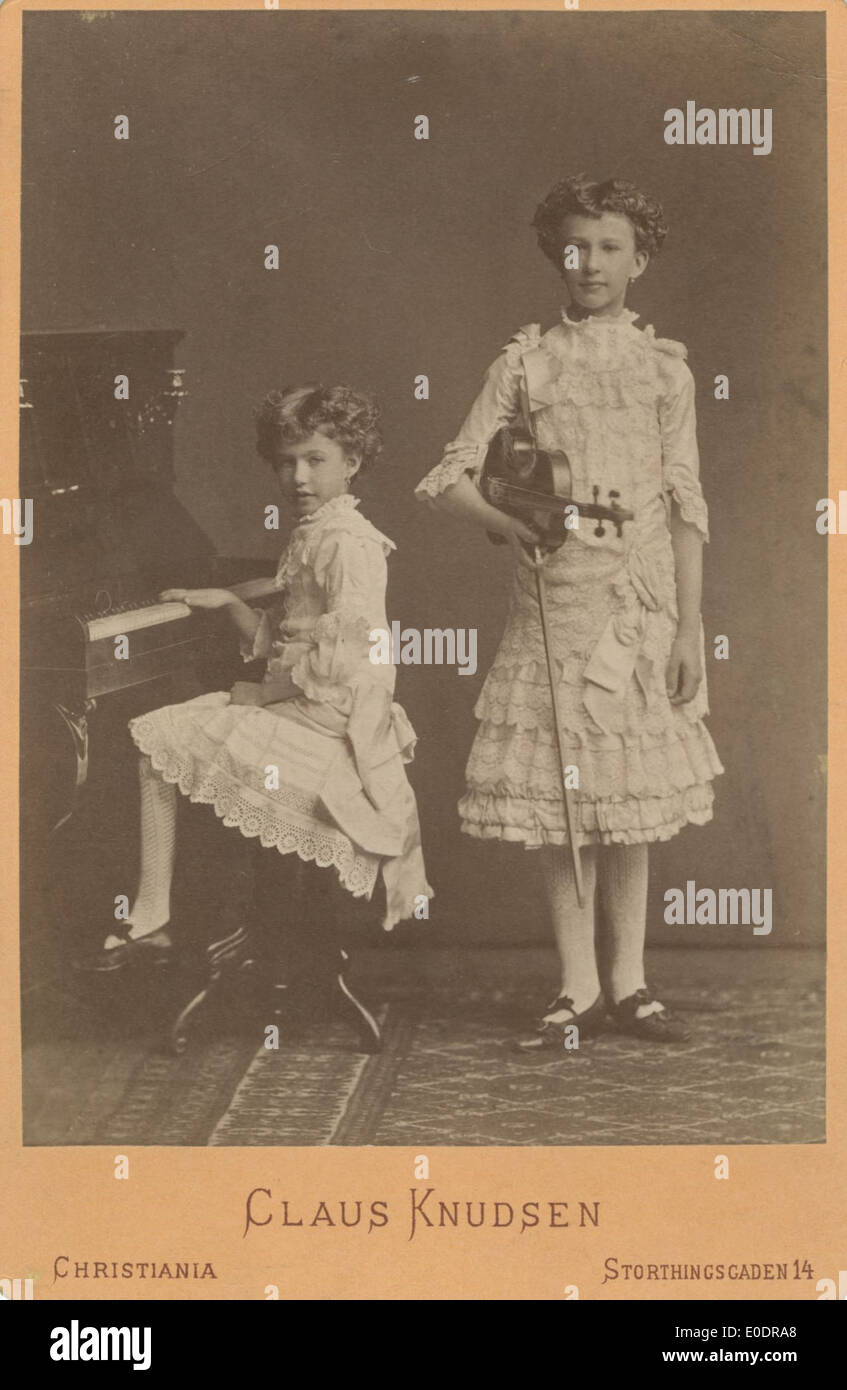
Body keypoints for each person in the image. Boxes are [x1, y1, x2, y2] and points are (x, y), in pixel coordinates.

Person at [415, 174, 723, 1046]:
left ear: (640, 260)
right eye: (575, 247)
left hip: (644, 606)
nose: (589, 263)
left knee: (630, 800)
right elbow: (446, 478)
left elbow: (686, 504)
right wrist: (505, 523)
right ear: (558, 254)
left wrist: (690, 628)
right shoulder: (524, 363)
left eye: (610, 247)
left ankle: (630, 983)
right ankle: (576, 986)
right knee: (562, 801)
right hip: (556, 604)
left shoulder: (667, 371)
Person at [82, 382, 432, 996]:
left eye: (316, 460)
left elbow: (346, 660)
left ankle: (160, 914)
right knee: (162, 737)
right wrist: (225, 602)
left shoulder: (350, 543)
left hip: (333, 719)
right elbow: (285, 637)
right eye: (286, 462)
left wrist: (260, 697)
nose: (298, 477)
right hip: (304, 704)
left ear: (352, 463)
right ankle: (173, 916)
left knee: (159, 737)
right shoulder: (314, 532)